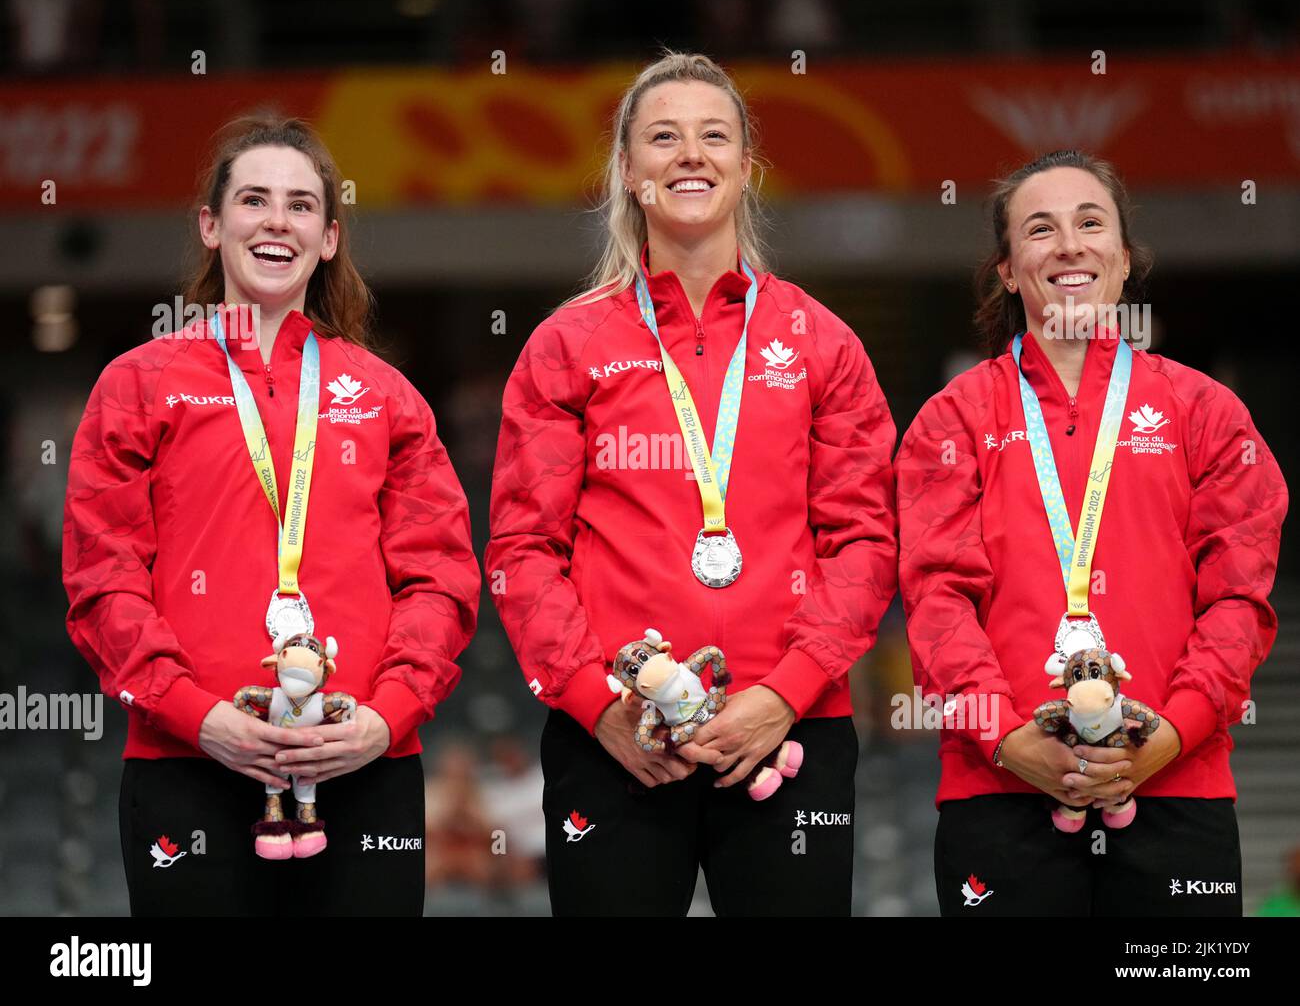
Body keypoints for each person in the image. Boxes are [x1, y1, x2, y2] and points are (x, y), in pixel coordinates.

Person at [485, 51, 897, 916]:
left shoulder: (822, 343)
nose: (690, 155)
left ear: (747, 166)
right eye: (663, 138)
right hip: (615, 741)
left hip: (791, 734)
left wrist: (785, 691)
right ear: (628, 170)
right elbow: (523, 551)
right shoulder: (567, 345)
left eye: (714, 136)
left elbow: (864, 541)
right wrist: (598, 705)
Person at [62, 115, 480, 916]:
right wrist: (197, 716)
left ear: (329, 238)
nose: (277, 221)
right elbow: (101, 578)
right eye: (253, 200)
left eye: (301, 205)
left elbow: (442, 577)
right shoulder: (138, 384)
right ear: (211, 225)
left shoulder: (387, 396)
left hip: (364, 767)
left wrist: (385, 718)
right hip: (187, 764)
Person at [895, 149, 1287, 916]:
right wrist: (1008, 739)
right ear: (1009, 270)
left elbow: (1239, 600)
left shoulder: (1205, 413)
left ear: (1125, 257)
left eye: (1090, 222)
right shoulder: (954, 419)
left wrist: (1172, 733)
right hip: (1000, 792)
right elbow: (936, 604)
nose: (1069, 245)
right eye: (1040, 229)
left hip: (1177, 788)